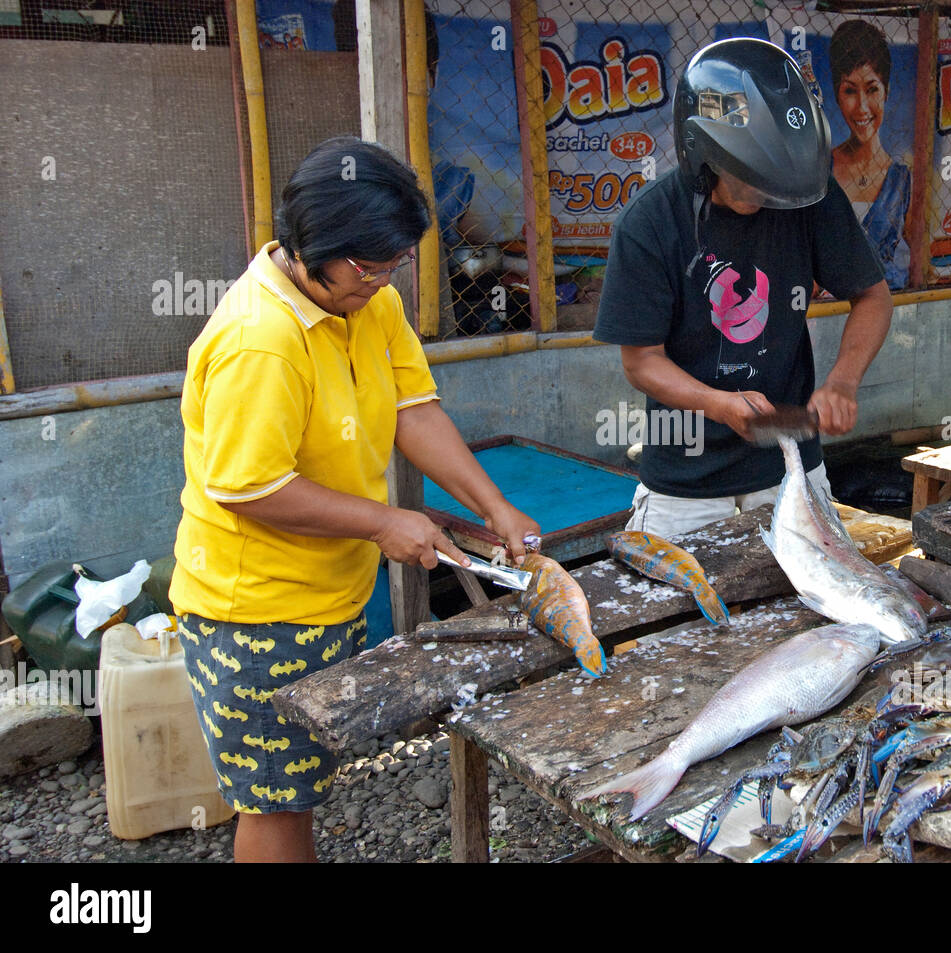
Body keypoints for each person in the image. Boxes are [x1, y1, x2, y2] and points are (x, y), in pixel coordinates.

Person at [169, 137, 539, 862]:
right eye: (369, 265)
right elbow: (249, 485)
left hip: (325, 598)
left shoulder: (369, 302)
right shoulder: (261, 341)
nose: (382, 279)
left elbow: (414, 408)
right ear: (313, 247)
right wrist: (381, 522)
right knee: (274, 804)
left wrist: (495, 507)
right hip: (252, 613)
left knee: (298, 788)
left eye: (394, 263)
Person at [593, 38, 893, 539]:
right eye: (755, 182)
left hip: (791, 469)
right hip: (683, 480)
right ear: (703, 155)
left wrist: (843, 381)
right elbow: (641, 361)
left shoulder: (810, 196)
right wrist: (719, 405)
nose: (771, 196)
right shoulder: (649, 224)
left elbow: (872, 296)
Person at [829, 19, 911, 290]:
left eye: (872, 89)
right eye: (850, 90)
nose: (862, 107)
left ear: (886, 92)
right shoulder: (821, 170)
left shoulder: (904, 181)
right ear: (837, 96)